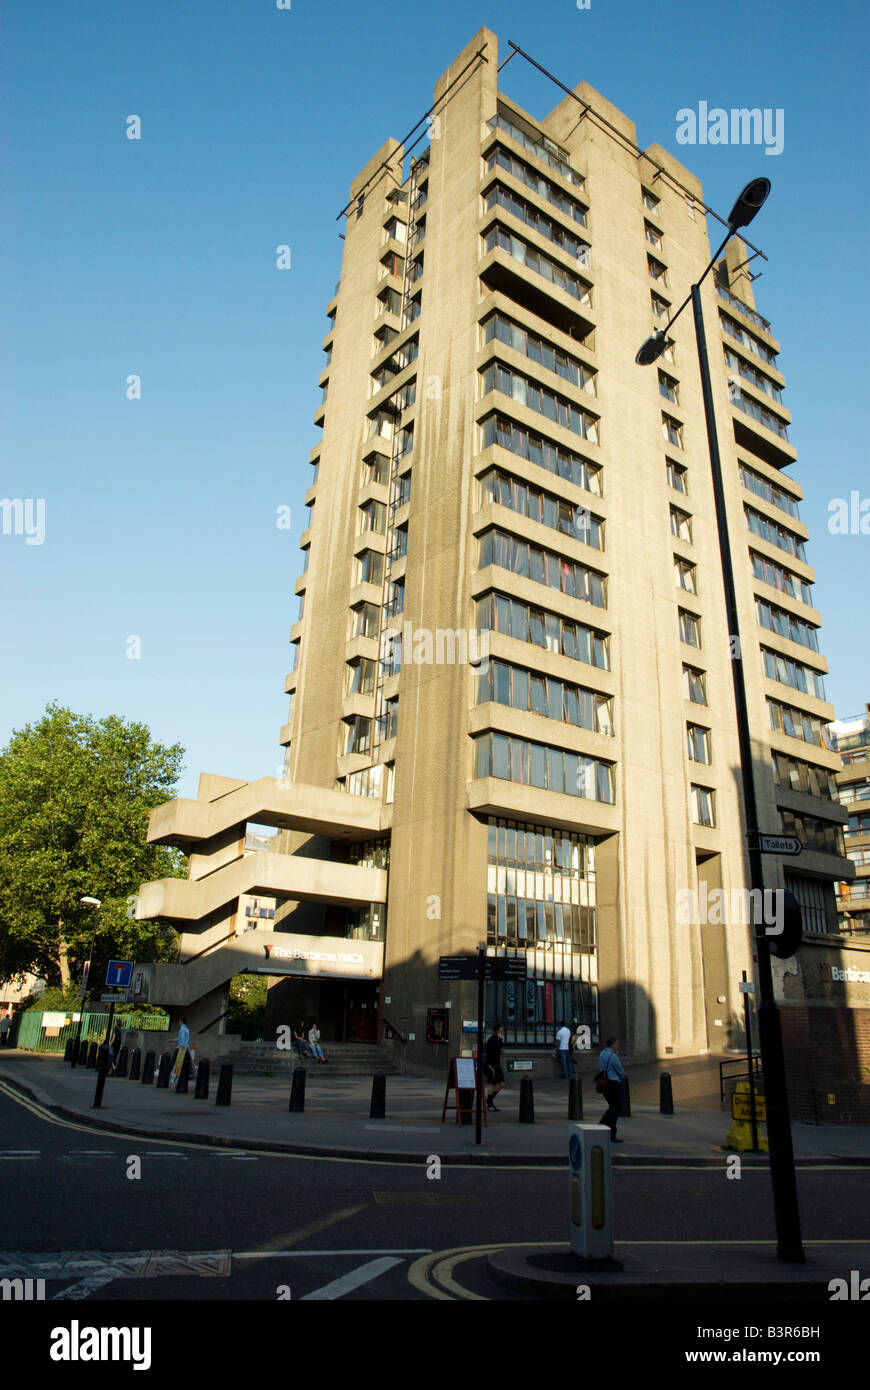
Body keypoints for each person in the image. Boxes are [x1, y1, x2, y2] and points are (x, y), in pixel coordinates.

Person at [598, 1036, 626, 1143]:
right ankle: (603, 1126)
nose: (618, 1046)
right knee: (615, 1109)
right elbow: (620, 1071)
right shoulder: (613, 1056)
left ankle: (611, 1132)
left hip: (604, 1083)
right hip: (613, 1084)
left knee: (613, 1107)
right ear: (612, 1044)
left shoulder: (602, 1054)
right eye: (617, 1044)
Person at [484, 1024, 506, 1111]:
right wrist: (500, 1041)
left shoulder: (497, 1039)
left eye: (502, 1031)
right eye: (500, 1031)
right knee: (491, 1084)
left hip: (497, 1065)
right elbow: (497, 1049)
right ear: (496, 1032)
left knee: (502, 1083)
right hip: (490, 1065)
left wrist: (500, 1041)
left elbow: (500, 1051)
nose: (502, 1032)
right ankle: (489, 1104)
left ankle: (489, 1100)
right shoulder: (491, 1040)